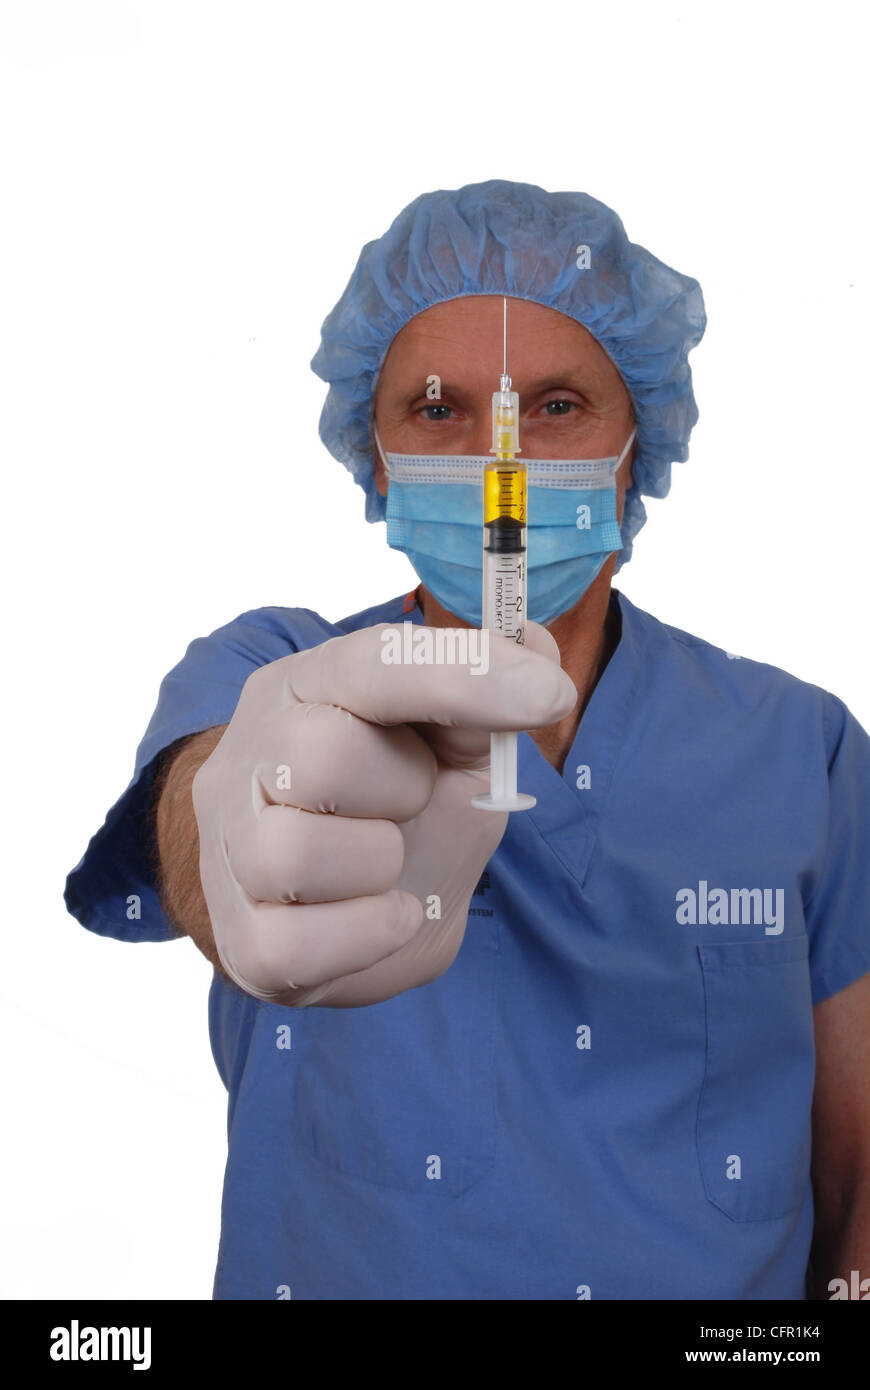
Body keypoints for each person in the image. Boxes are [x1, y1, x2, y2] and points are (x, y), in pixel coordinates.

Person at [64, 180, 870, 1301]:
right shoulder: (269, 673)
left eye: (556, 406)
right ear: (378, 457)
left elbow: (858, 1158)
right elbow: (207, 807)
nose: (504, 466)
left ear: (636, 446)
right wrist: (239, 841)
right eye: (441, 410)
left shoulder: (801, 747)